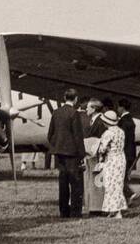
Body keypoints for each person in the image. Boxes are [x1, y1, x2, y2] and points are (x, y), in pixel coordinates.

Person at [47, 88, 87, 218]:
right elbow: (77, 136)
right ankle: (75, 212)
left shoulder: (56, 112)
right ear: (75, 99)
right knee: (76, 184)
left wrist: (57, 145)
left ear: (65, 98)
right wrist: (82, 154)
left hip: (59, 153)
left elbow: (50, 134)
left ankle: (64, 211)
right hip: (72, 153)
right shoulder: (74, 113)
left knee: (63, 183)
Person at [93, 109, 129, 219]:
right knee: (118, 184)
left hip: (112, 159)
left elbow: (102, 149)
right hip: (121, 158)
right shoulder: (121, 131)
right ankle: (115, 210)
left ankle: (115, 211)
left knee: (110, 185)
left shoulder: (108, 133)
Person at [118, 98, 137, 205]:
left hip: (125, 152)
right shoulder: (130, 120)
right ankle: (126, 199)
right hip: (130, 152)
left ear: (122, 107)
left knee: (121, 177)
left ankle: (129, 193)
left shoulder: (124, 121)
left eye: (118, 107)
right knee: (124, 176)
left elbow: (122, 139)